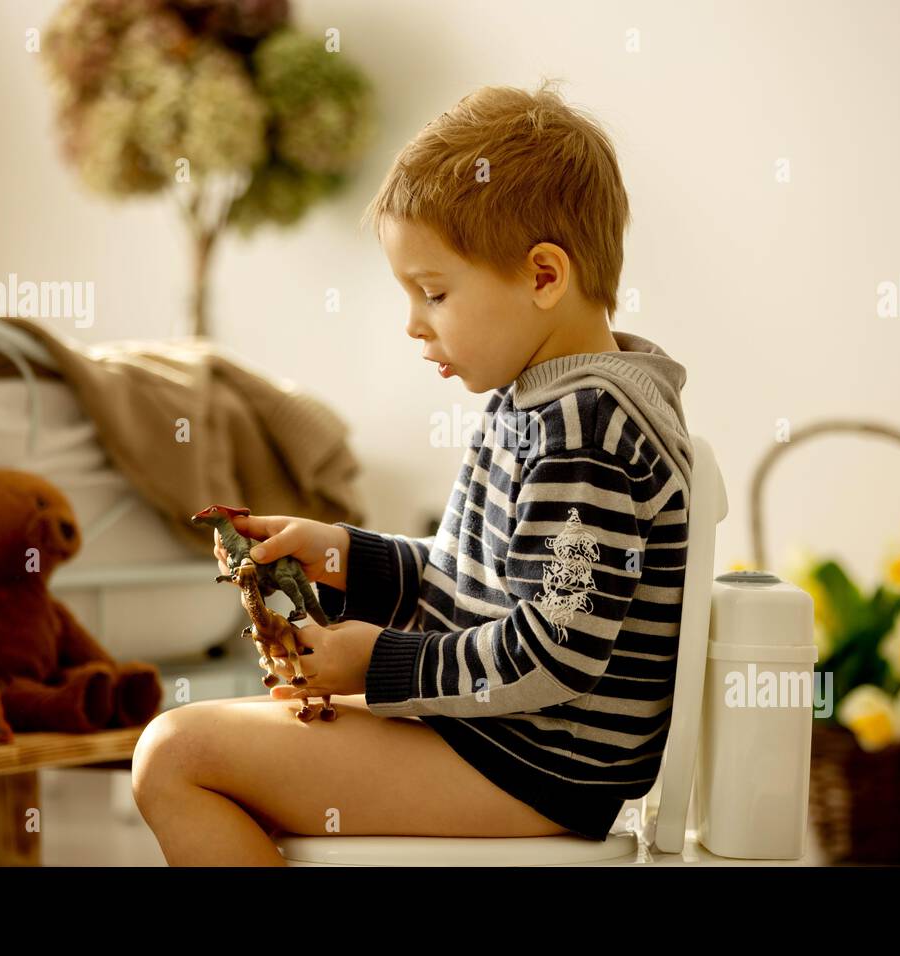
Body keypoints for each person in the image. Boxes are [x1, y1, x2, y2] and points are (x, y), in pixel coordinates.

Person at [131, 78, 694, 865]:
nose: (413, 323)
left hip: (533, 764)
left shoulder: (583, 434)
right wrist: (345, 554)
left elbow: (553, 652)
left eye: (434, 291)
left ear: (542, 276)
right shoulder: (548, 404)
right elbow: (480, 587)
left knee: (176, 756)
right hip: (514, 746)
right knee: (192, 747)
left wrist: (375, 659)